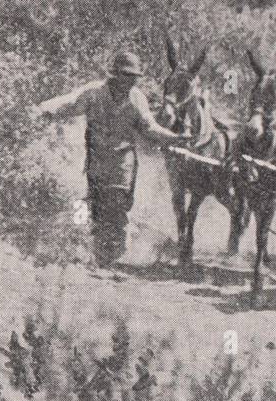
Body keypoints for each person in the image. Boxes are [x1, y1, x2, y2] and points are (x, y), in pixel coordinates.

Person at [33, 50, 188, 266]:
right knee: (87, 206)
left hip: (122, 163)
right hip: (95, 161)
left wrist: (174, 138)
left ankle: (114, 256)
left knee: (117, 207)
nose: (130, 81)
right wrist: (43, 112)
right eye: (126, 75)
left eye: (134, 77)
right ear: (114, 74)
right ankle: (79, 247)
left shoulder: (137, 99)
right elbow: (69, 104)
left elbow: (149, 128)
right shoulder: (94, 93)